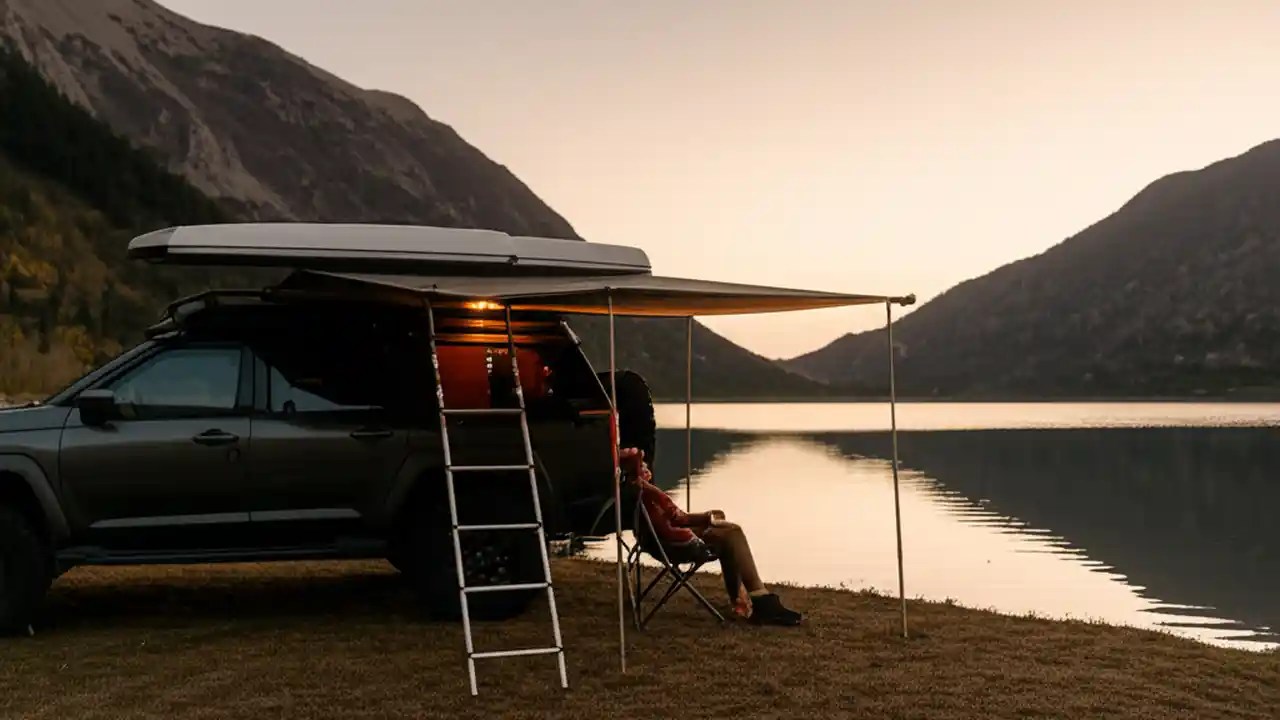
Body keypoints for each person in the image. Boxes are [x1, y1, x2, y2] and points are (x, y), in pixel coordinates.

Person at [619, 447, 802, 626]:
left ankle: (742, 600)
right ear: (636, 470)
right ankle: (760, 601)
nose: (647, 467)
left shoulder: (634, 490)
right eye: (642, 465)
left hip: (659, 542)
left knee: (727, 533)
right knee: (732, 533)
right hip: (677, 545)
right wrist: (706, 521)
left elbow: (672, 521)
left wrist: (708, 518)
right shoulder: (651, 493)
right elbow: (679, 519)